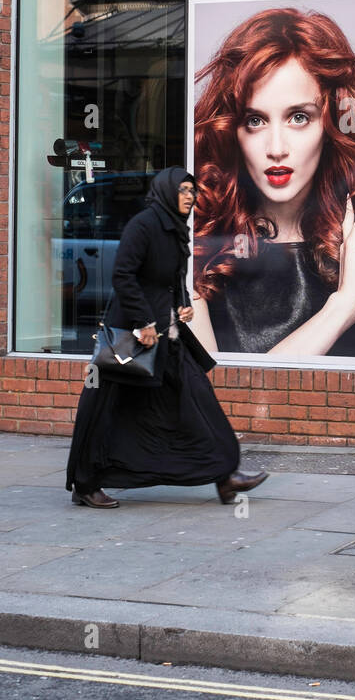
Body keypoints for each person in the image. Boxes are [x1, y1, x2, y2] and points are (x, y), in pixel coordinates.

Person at [191, 6, 355, 359]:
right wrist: (341, 308)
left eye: (299, 117)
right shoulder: (199, 256)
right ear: (232, 132)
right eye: (255, 121)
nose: (277, 148)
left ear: (330, 126)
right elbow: (219, 406)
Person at [65, 166, 268, 509]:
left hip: (166, 334)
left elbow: (172, 279)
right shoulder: (144, 225)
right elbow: (123, 276)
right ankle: (85, 484)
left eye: (193, 191)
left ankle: (225, 476)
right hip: (132, 341)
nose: (191, 196)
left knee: (198, 396)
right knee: (105, 409)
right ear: (166, 191)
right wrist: (143, 321)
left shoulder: (175, 229)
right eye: (185, 190)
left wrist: (183, 304)